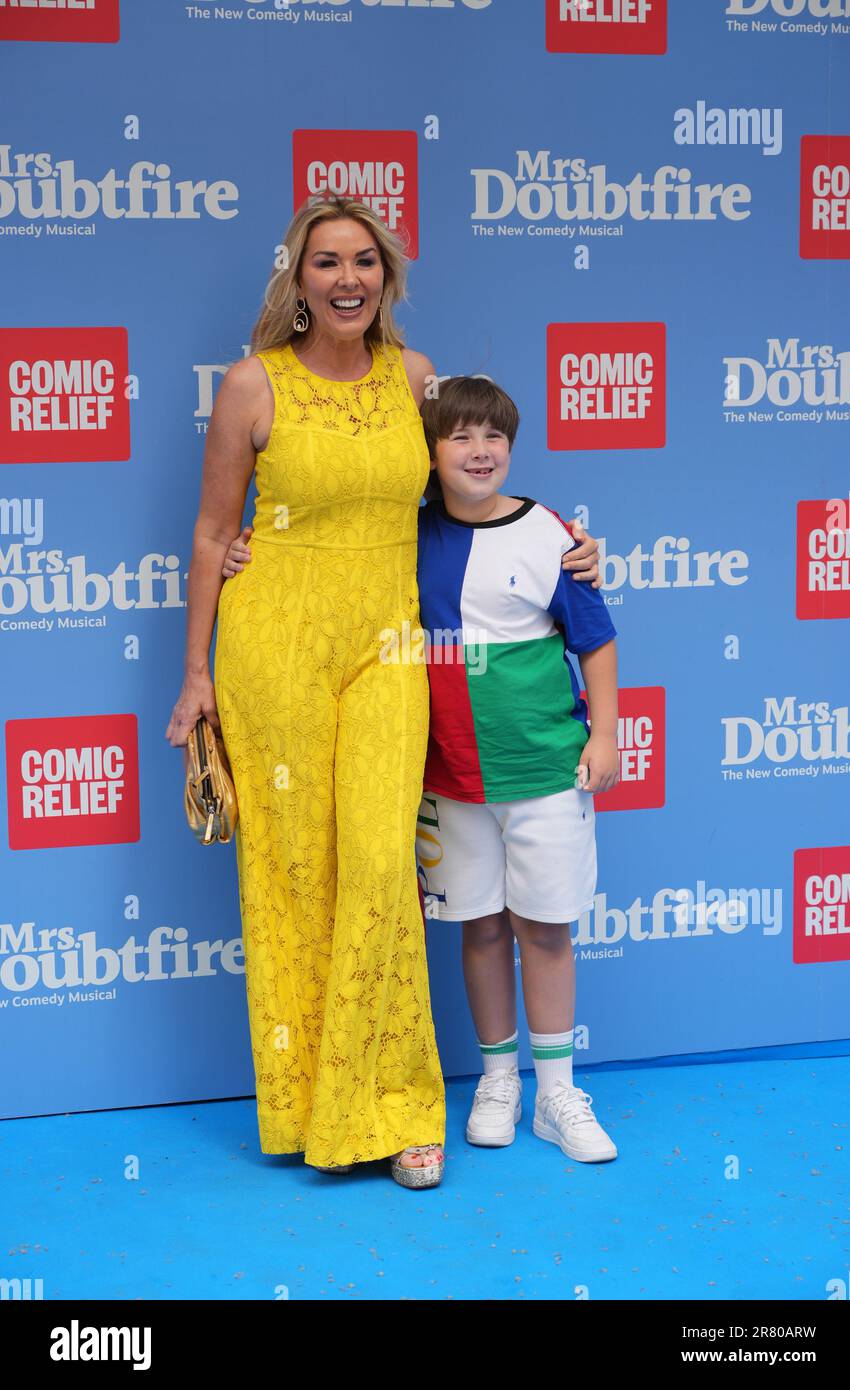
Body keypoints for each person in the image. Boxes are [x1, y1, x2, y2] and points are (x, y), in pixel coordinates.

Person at [191, 192, 602, 1187]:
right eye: (326, 262)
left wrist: (559, 542)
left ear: (387, 276)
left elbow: (467, 492)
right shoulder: (251, 385)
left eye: (363, 262)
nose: (346, 279)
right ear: (296, 277)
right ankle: (302, 1107)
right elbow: (211, 533)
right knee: (292, 877)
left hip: (390, 647)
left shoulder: (415, 378)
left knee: (381, 867)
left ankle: (394, 1108)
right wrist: (195, 674)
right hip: (273, 647)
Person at [413, 376, 621, 1164]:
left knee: (545, 927)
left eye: (493, 437)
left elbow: (594, 640)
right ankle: (498, 1080)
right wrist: (245, 549)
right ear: (429, 453)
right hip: (450, 776)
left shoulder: (550, 532)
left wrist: (603, 734)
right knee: (481, 926)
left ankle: (558, 1092)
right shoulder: (407, 531)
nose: (479, 451)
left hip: (543, 768)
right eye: (459, 436)